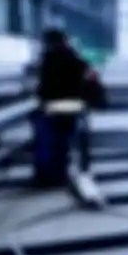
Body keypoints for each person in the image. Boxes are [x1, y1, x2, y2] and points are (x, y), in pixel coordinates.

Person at [34, 29, 102, 183]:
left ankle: (45, 172)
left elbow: (42, 90)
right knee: (80, 133)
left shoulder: (48, 60)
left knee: (43, 132)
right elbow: (90, 83)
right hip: (76, 106)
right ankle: (84, 166)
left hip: (55, 108)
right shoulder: (77, 60)